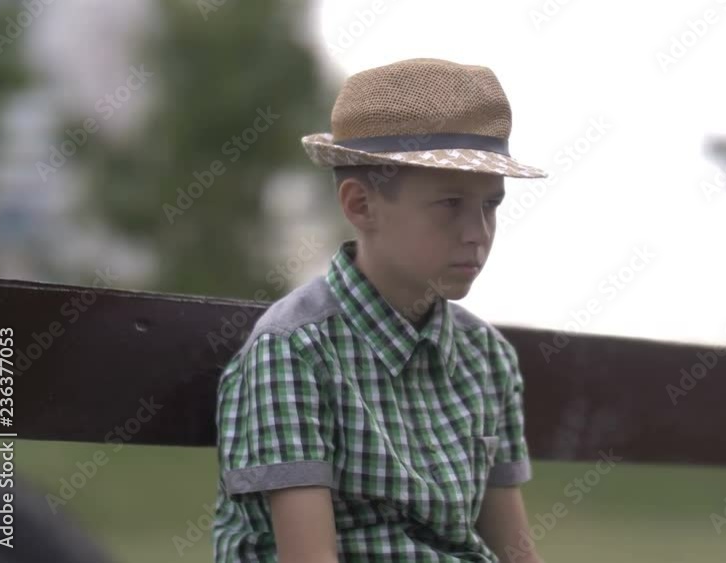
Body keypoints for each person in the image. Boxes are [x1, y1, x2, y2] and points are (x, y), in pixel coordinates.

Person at [212, 57, 549, 563]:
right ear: (361, 206)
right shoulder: (294, 353)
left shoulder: (486, 358)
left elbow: (515, 552)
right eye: (450, 204)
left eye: (490, 205)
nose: (477, 233)